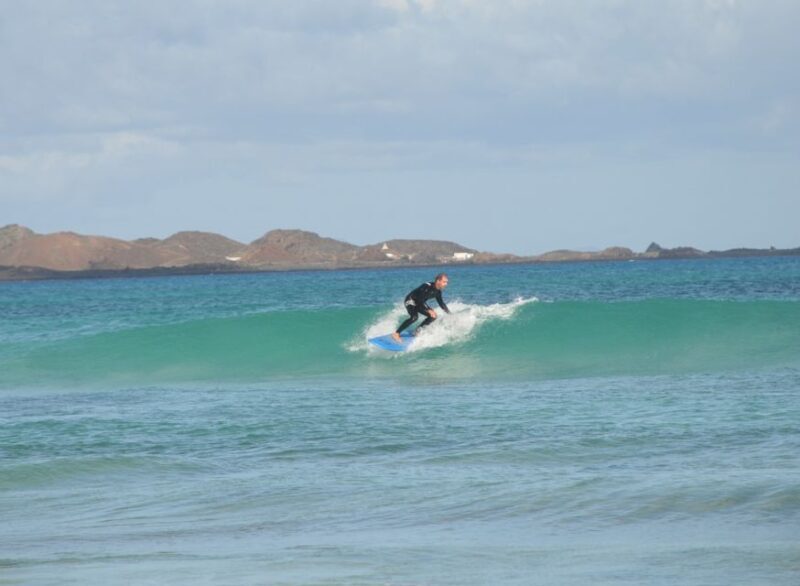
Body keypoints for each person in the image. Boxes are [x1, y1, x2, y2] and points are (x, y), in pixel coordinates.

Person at [392, 273, 450, 342]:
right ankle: (396, 333)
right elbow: (420, 299)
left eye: (446, 282)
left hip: (420, 303)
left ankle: (417, 331)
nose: (446, 284)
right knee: (414, 317)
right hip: (411, 301)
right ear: (438, 281)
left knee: (433, 316)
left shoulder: (438, 292)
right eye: (444, 282)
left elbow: (441, 304)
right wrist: (429, 309)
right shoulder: (426, 286)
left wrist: (449, 314)